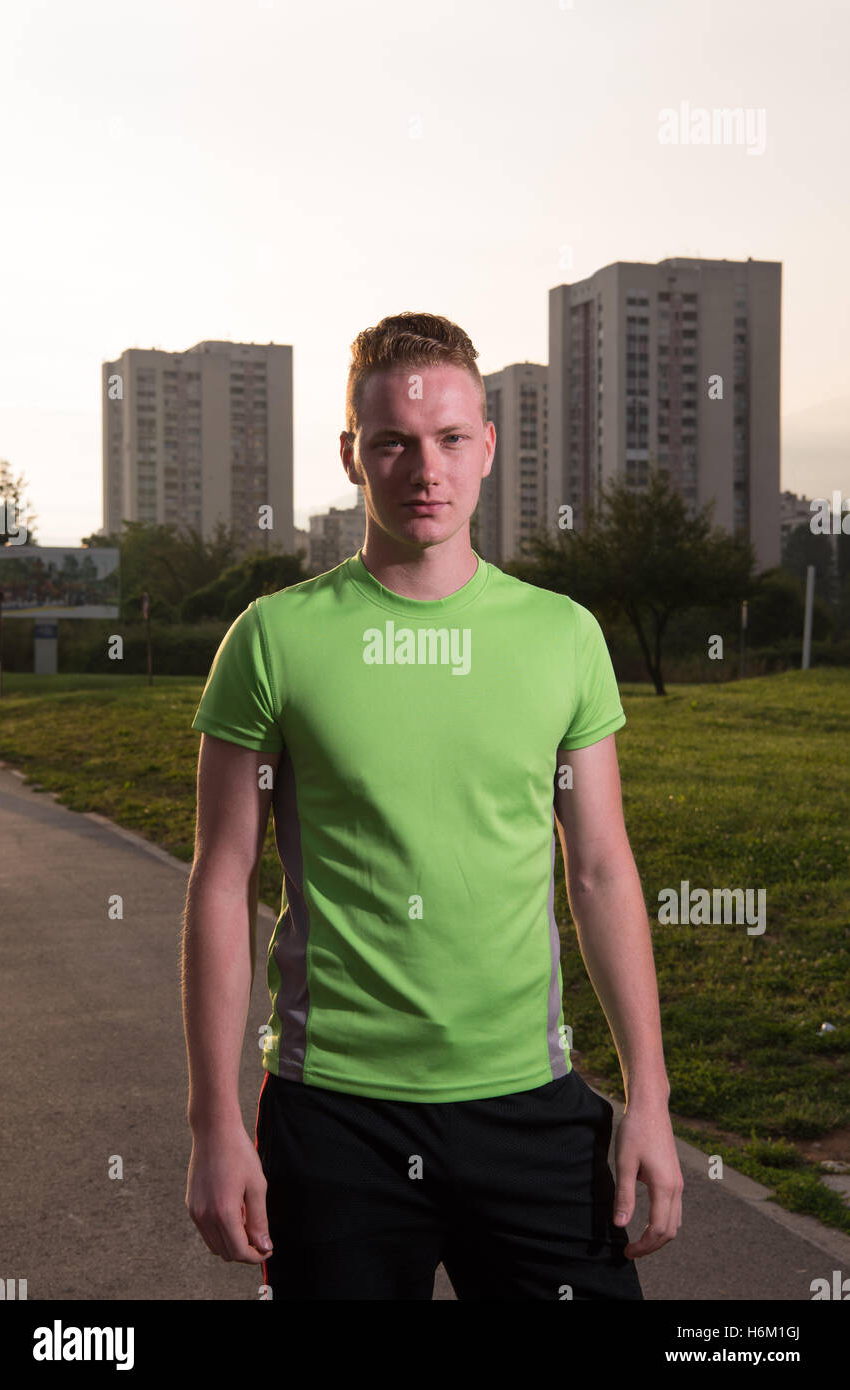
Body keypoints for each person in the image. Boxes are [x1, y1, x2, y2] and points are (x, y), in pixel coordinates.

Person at [182, 311, 683, 1300]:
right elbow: (222, 878)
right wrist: (215, 1122)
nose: (426, 469)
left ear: (489, 446)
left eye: (452, 439)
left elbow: (600, 867)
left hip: (531, 1109)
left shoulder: (563, 636)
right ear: (351, 455)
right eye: (394, 444)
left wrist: (652, 1098)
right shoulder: (273, 639)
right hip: (336, 1122)